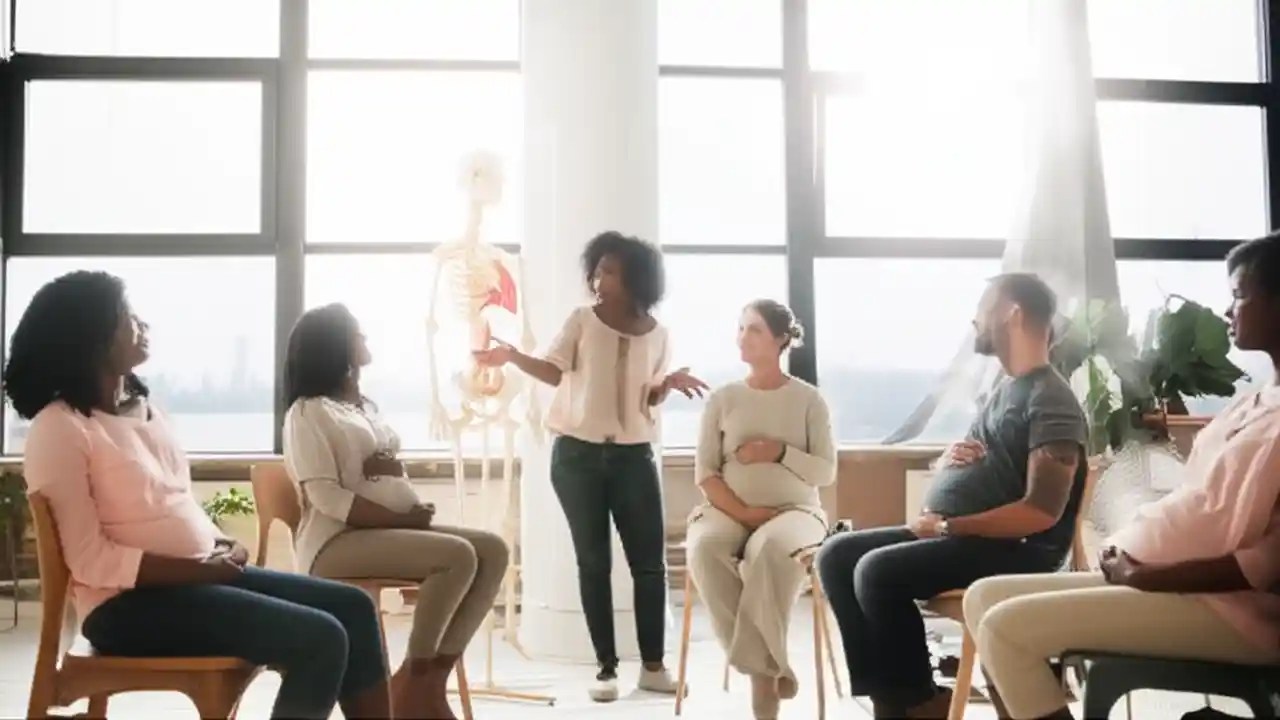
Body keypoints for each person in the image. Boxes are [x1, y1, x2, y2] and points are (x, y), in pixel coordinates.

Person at [3, 272, 390, 720]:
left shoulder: (147, 412)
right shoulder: (60, 428)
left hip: (195, 580)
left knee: (353, 607)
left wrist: (221, 543)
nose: (142, 325)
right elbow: (90, 560)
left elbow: (175, 502)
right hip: (124, 608)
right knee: (320, 637)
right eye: (128, 316)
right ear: (92, 335)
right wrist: (199, 569)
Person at [964, 234, 1280, 720]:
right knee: (983, 597)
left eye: (1239, 295)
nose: (1227, 311)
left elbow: (1268, 565)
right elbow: (1197, 500)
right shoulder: (1254, 403)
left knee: (1006, 629)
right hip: (1172, 584)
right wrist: (1128, 549)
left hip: (1234, 612)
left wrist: (1145, 575)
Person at [816, 272, 1089, 719]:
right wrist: (948, 462)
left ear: (1012, 314)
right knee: (837, 555)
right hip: (967, 537)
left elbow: (1041, 513)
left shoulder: (1051, 400)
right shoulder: (1005, 388)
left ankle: (916, 704)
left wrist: (947, 525)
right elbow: (989, 465)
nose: (975, 320)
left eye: (983, 308)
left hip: (1019, 550)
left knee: (877, 571)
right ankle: (896, 700)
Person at [474, 230, 707, 702]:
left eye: (610, 271)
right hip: (577, 457)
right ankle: (606, 669)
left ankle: (654, 667)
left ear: (636, 278)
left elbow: (648, 398)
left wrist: (666, 385)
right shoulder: (582, 320)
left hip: (634, 457)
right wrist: (513, 357)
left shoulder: (659, 334)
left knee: (649, 566)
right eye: (597, 270)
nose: (599, 279)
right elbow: (553, 371)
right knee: (593, 563)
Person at [282, 303, 510, 720]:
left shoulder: (360, 405)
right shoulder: (307, 412)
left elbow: (371, 466)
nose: (364, 339)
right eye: (356, 334)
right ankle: (414, 680)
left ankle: (426, 685)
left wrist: (394, 480)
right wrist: (401, 518)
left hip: (382, 531)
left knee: (493, 550)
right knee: (456, 556)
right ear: (334, 345)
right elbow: (328, 497)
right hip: (336, 543)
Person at [687, 300, 835, 720]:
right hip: (726, 509)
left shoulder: (809, 400)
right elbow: (706, 474)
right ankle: (769, 666)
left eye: (754, 329)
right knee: (704, 548)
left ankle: (760, 679)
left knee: (769, 550)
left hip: (796, 512)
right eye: (740, 328)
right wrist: (743, 513)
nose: (742, 337)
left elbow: (825, 472)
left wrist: (778, 452)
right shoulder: (723, 398)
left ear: (781, 339)